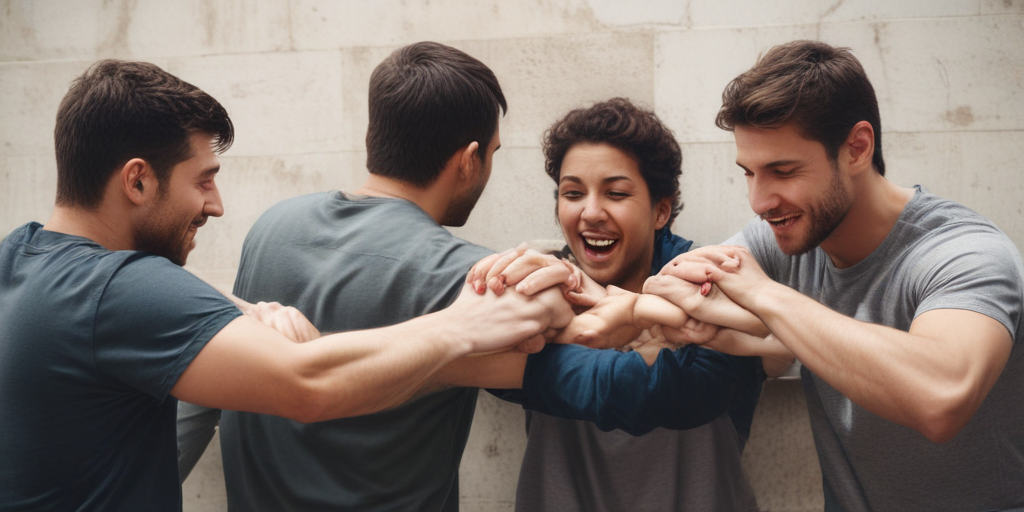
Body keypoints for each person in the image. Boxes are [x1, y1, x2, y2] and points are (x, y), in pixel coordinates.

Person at [0, 59, 569, 512]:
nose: (216, 206)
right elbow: (307, 385)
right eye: (203, 180)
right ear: (138, 179)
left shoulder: (18, 257)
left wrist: (246, 314)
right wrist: (461, 324)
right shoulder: (124, 288)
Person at [594, 40, 1024, 511]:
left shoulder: (965, 252)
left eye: (782, 170)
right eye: (749, 173)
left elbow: (941, 397)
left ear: (856, 148)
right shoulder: (782, 234)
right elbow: (674, 287)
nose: (760, 202)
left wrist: (766, 300)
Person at [172, 41, 572, 512]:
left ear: (374, 135)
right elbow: (602, 359)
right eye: (492, 154)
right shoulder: (474, 278)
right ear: (468, 160)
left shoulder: (272, 228)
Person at [468, 98, 771, 511]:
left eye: (615, 193)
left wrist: (581, 331)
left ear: (660, 209)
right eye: (573, 193)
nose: (591, 212)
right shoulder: (538, 286)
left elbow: (699, 385)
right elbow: (481, 362)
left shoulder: (710, 286)